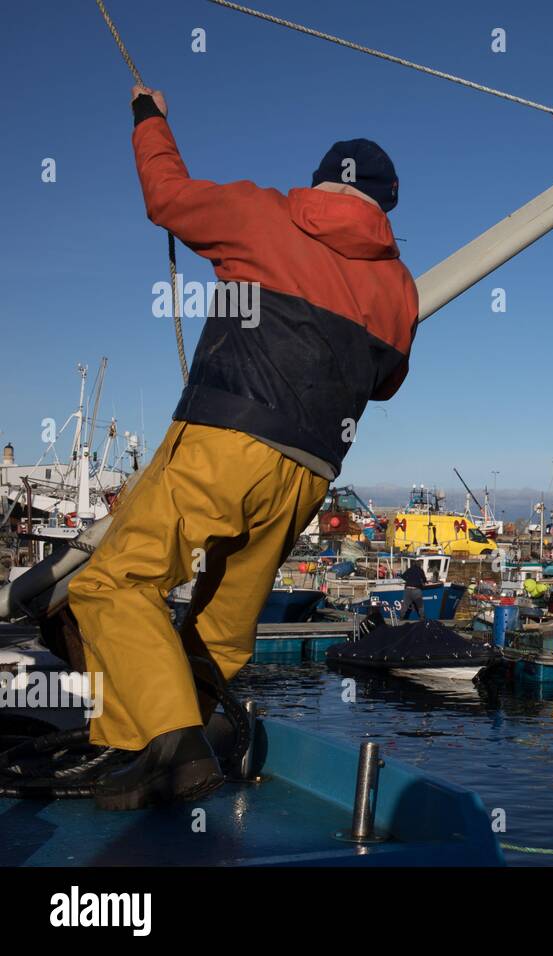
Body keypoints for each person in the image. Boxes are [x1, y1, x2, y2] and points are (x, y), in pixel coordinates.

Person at [66, 84, 419, 810]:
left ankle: (171, 744)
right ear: (386, 206)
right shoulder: (401, 289)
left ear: (320, 179)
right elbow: (386, 382)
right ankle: (168, 747)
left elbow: (166, 196)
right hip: (310, 474)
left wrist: (148, 116)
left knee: (111, 584)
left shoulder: (263, 215)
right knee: (222, 629)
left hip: (227, 438)